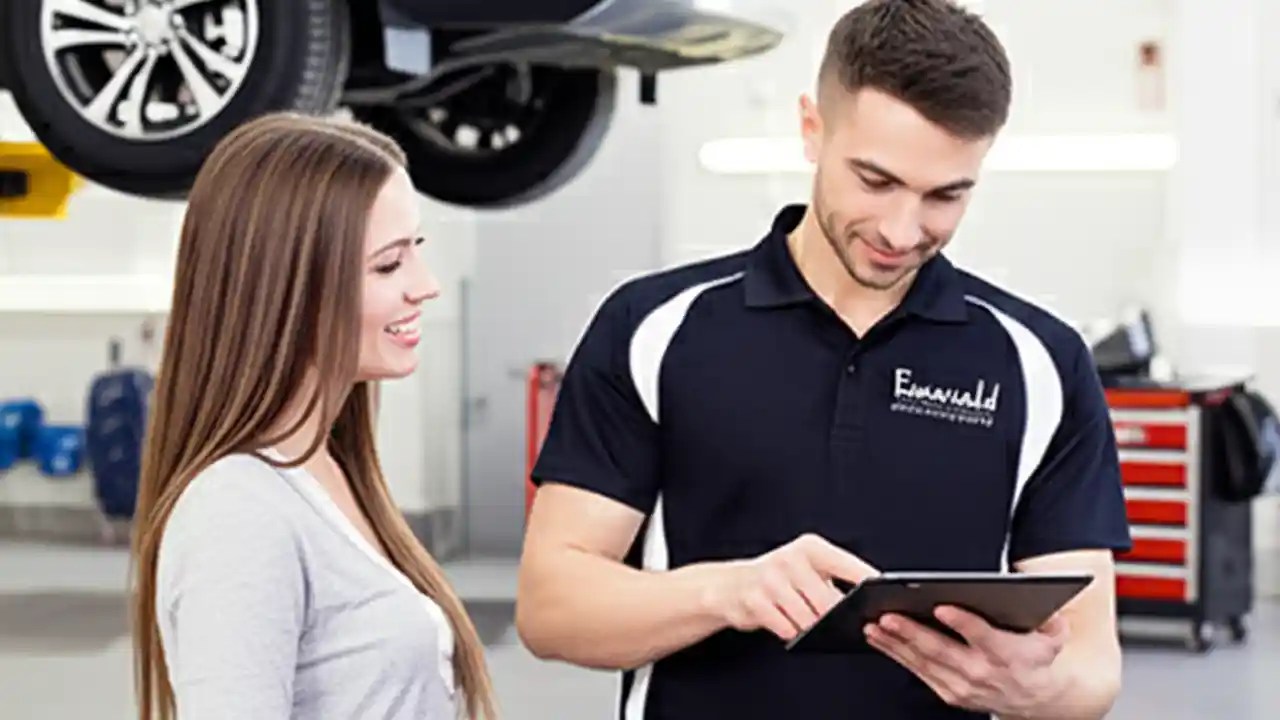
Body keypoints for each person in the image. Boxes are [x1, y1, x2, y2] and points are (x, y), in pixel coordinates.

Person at [515, 1, 1131, 719]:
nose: (902, 231)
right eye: (875, 181)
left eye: (945, 196)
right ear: (812, 129)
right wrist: (728, 591)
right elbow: (549, 609)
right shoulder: (652, 328)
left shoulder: (1041, 364)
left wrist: (1035, 690)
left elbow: (1092, 668)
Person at [129, 112, 497, 720]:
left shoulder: (326, 469)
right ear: (288, 288)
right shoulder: (237, 514)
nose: (426, 286)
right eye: (388, 264)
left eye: (417, 252)